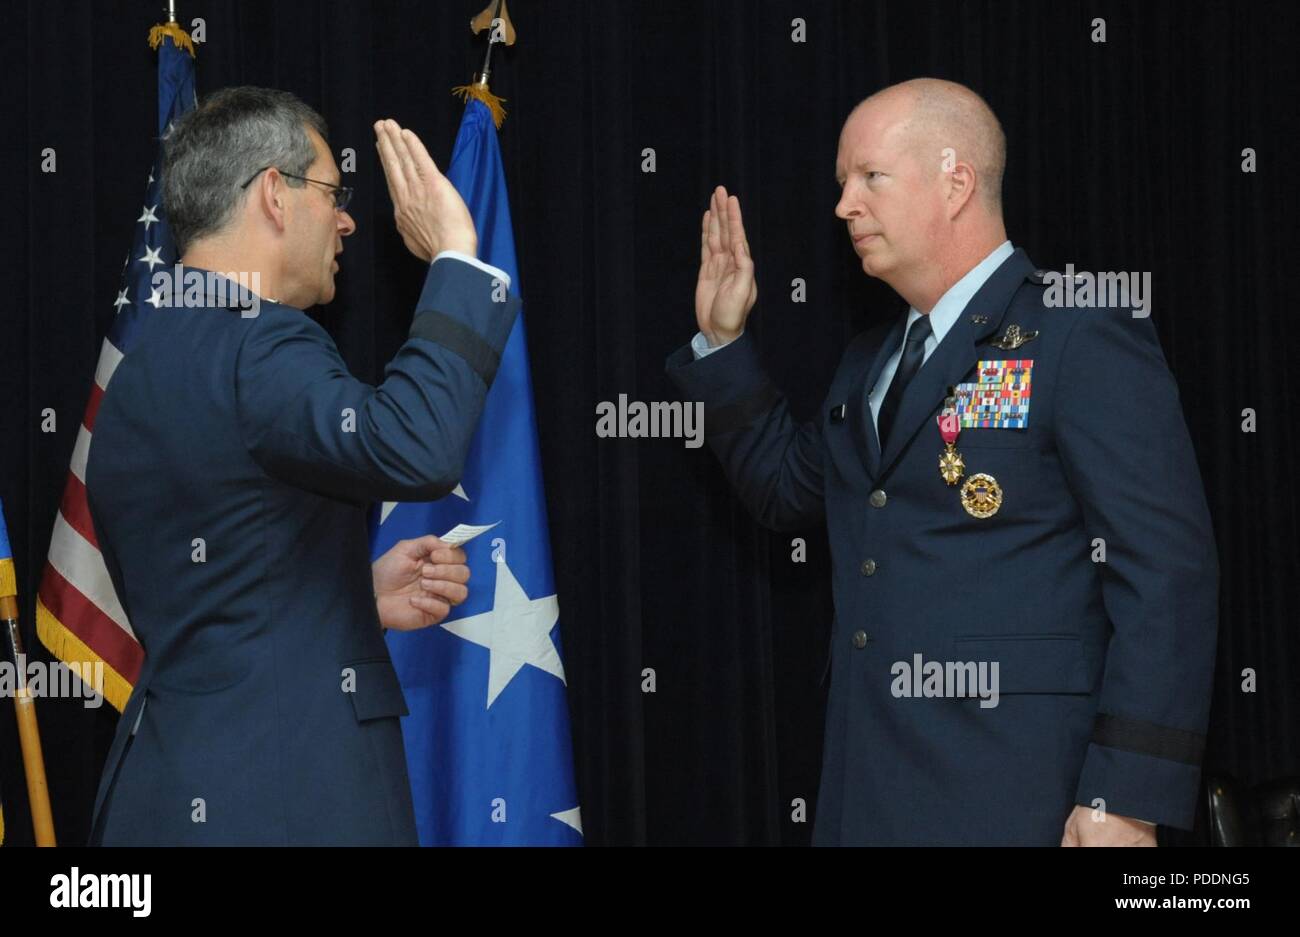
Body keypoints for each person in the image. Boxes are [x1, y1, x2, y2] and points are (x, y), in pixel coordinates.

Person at [667, 78, 1218, 846]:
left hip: (1020, 796)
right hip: (869, 793)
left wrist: (1123, 798)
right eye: (840, 184)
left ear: (955, 180)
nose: (844, 205)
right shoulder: (870, 360)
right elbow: (789, 492)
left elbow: (1166, 573)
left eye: (869, 177)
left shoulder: (1076, 330)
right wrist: (723, 345)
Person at [86, 87, 518, 845]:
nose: (347, 217)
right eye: (333, 192)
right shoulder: (262, 340)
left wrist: (348, 594)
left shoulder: (135, 374)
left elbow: (214, 586)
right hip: (285, 801)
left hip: (161, 794)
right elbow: (415, 442)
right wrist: (455, 253)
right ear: (275, 196)